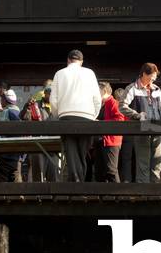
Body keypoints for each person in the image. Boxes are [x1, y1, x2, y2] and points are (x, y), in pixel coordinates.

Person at [49, 49, 101, 182]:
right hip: (87, 116)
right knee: (82, 154)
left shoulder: (59, 73)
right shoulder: (90, 73)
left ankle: (76, 182)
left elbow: (53, 100)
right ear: (81, 62)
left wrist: (58, 114)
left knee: (71, 155)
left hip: (66, 116)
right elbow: (97, 98)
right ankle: (80, 183)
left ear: (68, 60)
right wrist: (93, 114)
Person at [119, 63, 161, 183]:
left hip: (157, 129)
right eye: (151, 77)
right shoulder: (132, 88)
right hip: (141, 129)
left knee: (157, 162)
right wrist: (137, 115)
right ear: (143, 74)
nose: (153, 80)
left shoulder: (156, 89)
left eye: (154, 78)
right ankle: (143, 192)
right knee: (143, 162)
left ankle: (155, 189)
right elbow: (121, 106)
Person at [21, 82, 58, 182]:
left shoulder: (58, 107)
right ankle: (36, 197)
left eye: (53, 94)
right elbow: (23, 117)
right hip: (38, 144)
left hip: (53, 145)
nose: (50, 96)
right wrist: (26, 107)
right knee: (37, 174)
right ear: (45, 94)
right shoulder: (36, 104)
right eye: (49, 93)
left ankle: (55, 196)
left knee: (53, 174)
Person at [97, 82, 126, 182]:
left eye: (98, 90)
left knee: (111, 170)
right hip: (102, 140)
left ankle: (118, 195)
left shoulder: (113, 102)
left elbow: (120, 119)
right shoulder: (101, 104)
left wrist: (100, 123)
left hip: (111, 140)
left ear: (104, 91)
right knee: (102, 171)